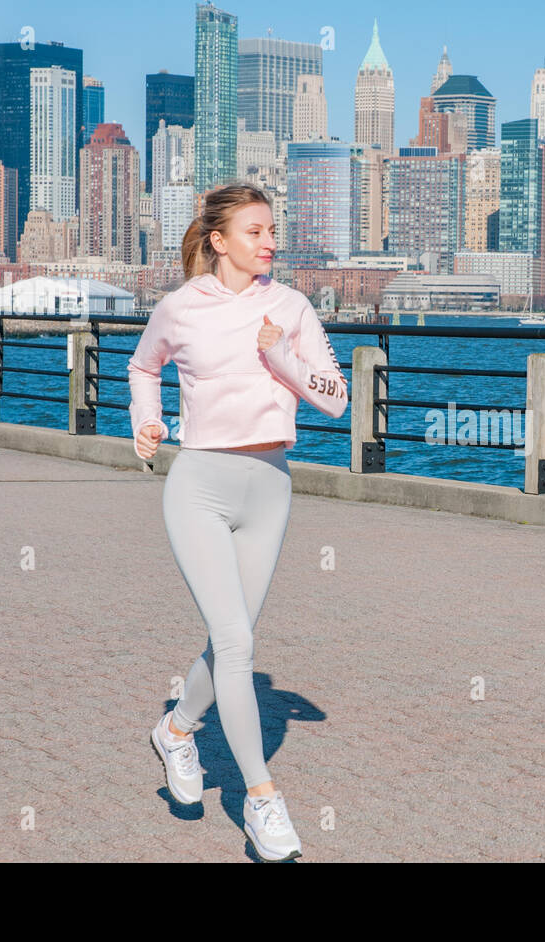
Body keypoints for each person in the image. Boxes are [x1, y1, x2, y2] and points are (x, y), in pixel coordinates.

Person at [128, 182, 348, 861]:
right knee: (236, 644)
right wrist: (147, 420)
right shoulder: (180, 307)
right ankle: (261, 797)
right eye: (255, 231)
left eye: (272, 230)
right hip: (199, 485)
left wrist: (281, 355)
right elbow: (143, 364)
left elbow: (336, 400)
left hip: (269, 488)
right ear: (219, 240)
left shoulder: (291, 307)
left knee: (235, 641)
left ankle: (177, 730)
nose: (269, 242)